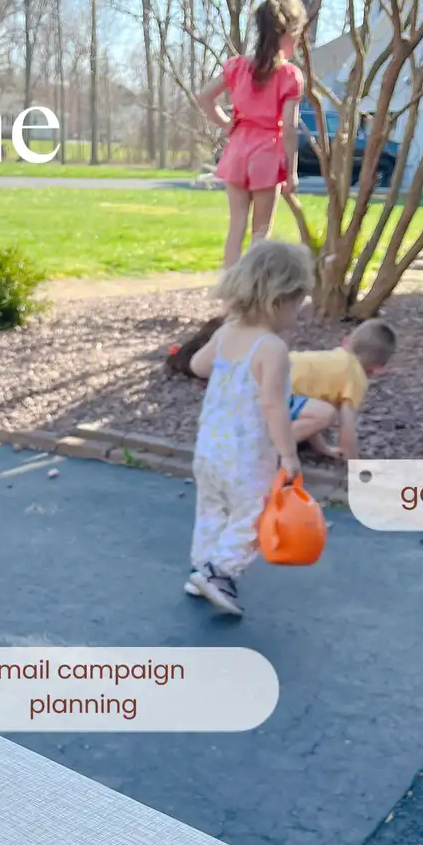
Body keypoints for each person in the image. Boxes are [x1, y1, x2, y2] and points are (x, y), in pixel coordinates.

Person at [185, 239, 315, 617]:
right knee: (253, 516)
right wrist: (289, 455)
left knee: (212, 509)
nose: (299, 310)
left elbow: (197, 365)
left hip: (209, 450)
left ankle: (202, 568)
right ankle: (221, 572)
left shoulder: (227, 332)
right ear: (279, 300)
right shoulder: (271, 348)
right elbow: (274, 406)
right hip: (246, 457)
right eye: (298, 301)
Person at [197, 0, 308, 268]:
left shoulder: (238, 67)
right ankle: (253, 299)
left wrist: (226, 123)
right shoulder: (289, 75)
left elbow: (204, 97)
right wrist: (292, 172)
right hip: (267, 156)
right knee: (260, 235)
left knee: (236, 230)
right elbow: (290, 127)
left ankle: (231, 296)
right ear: (289, 33)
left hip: (237, 151)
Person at [287, 321, 397, 462]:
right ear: (378, 370)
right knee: (327, 414)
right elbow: (346, 428)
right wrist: (353, 462)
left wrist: (323, 448)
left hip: (257, 389)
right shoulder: (355, 376)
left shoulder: (334, 359)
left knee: (321, 413)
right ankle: (267, 446)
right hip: (266, 399)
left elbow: (308, 412)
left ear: (346, 341)